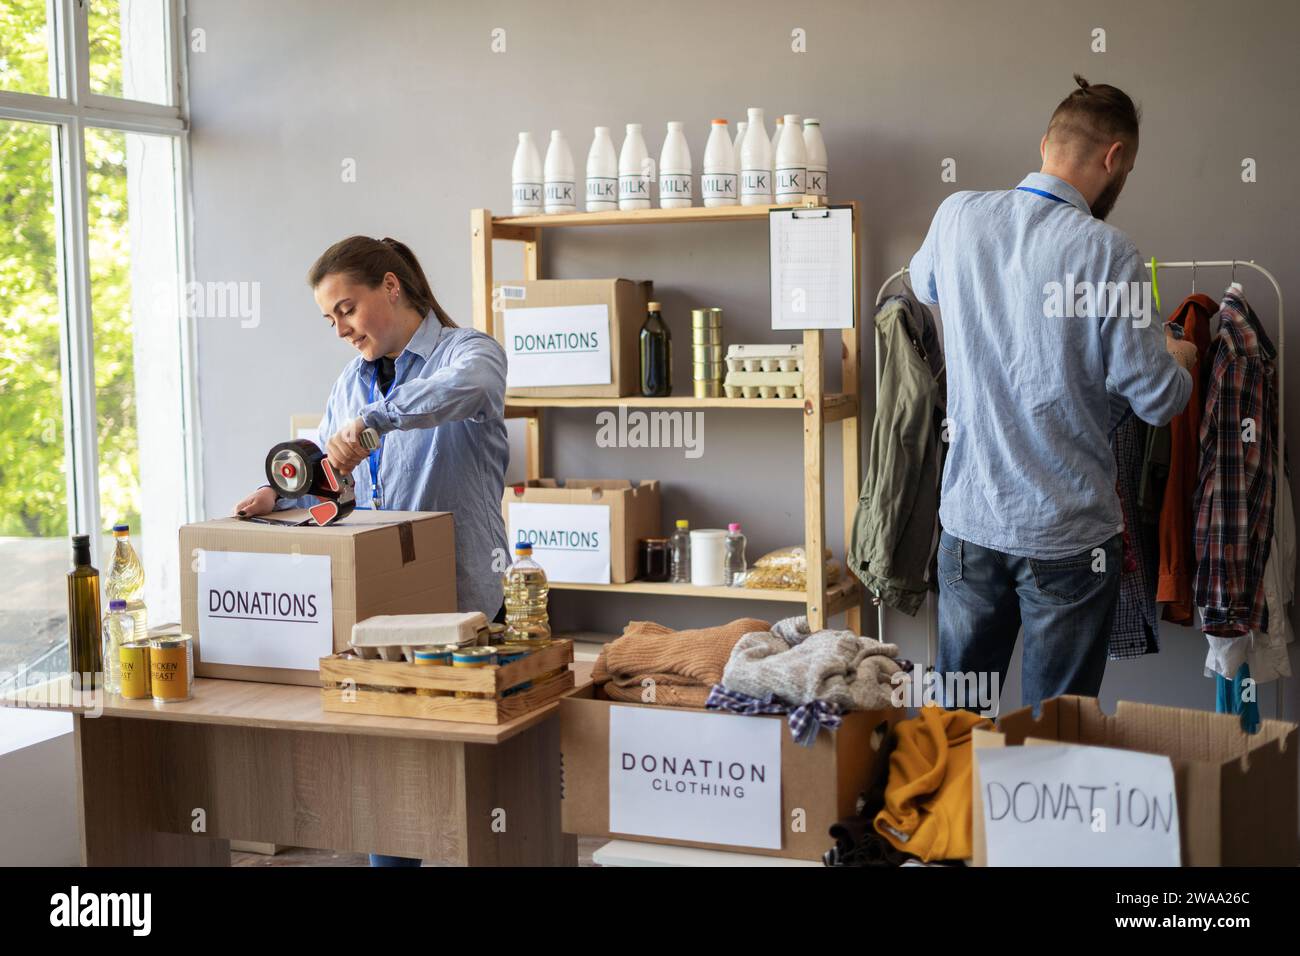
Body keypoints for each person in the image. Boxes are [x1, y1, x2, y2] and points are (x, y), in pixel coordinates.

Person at [908, 75, 1197, 712]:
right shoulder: (1110, 254)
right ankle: (1034, 813)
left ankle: (942, 814)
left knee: (951, 723)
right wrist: (1181, 359)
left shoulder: (956, 215)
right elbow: (1155, 399)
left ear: (1046, 144)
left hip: (970, 525)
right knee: (1055, 739)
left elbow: (924, 286)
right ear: (1114, 158)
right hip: (1068, 541)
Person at [232, 235, 509, 866]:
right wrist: (283, 492)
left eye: (346, 309)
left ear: (391, 286)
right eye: (329, 318)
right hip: (384, 612)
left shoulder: (468, 353)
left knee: (485, 795)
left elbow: (464, 389)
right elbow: (338, 482)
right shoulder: (349, 385)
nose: (339, 329)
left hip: (466, 607)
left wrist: (376, 421)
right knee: (396, 791)